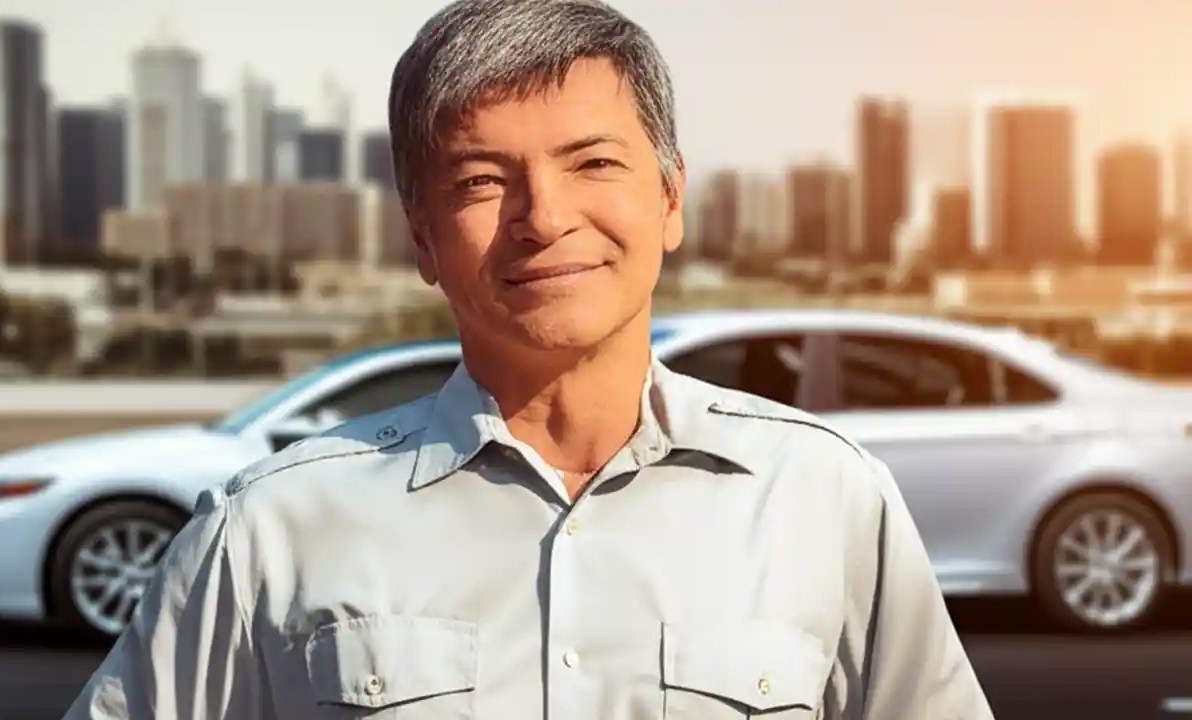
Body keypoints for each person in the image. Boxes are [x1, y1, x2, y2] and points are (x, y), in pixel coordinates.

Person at [64, 0, 994, 717]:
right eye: (481, 180)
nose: (544, 218)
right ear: (423, 239)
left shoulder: (826, 498)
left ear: (671, 200)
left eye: (593, 164)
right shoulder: (271, 531)